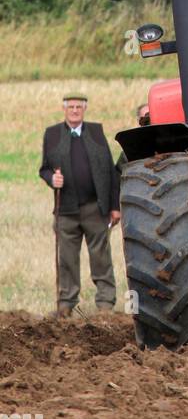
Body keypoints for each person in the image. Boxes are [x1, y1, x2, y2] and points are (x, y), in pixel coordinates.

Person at [39, 95, 121, 318]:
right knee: (66, 258)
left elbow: (110, 171)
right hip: (66, 210)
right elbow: (44, 168)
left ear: (84, 109)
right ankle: (66, 304)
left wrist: (114, 206)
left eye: (79, 107)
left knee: (101, 257)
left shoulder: (95, 131)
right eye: (71, 107)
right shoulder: (53, 134)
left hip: (95, 207)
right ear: (64, 110)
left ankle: (105, 304)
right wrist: (51, 179)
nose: (75, 111)